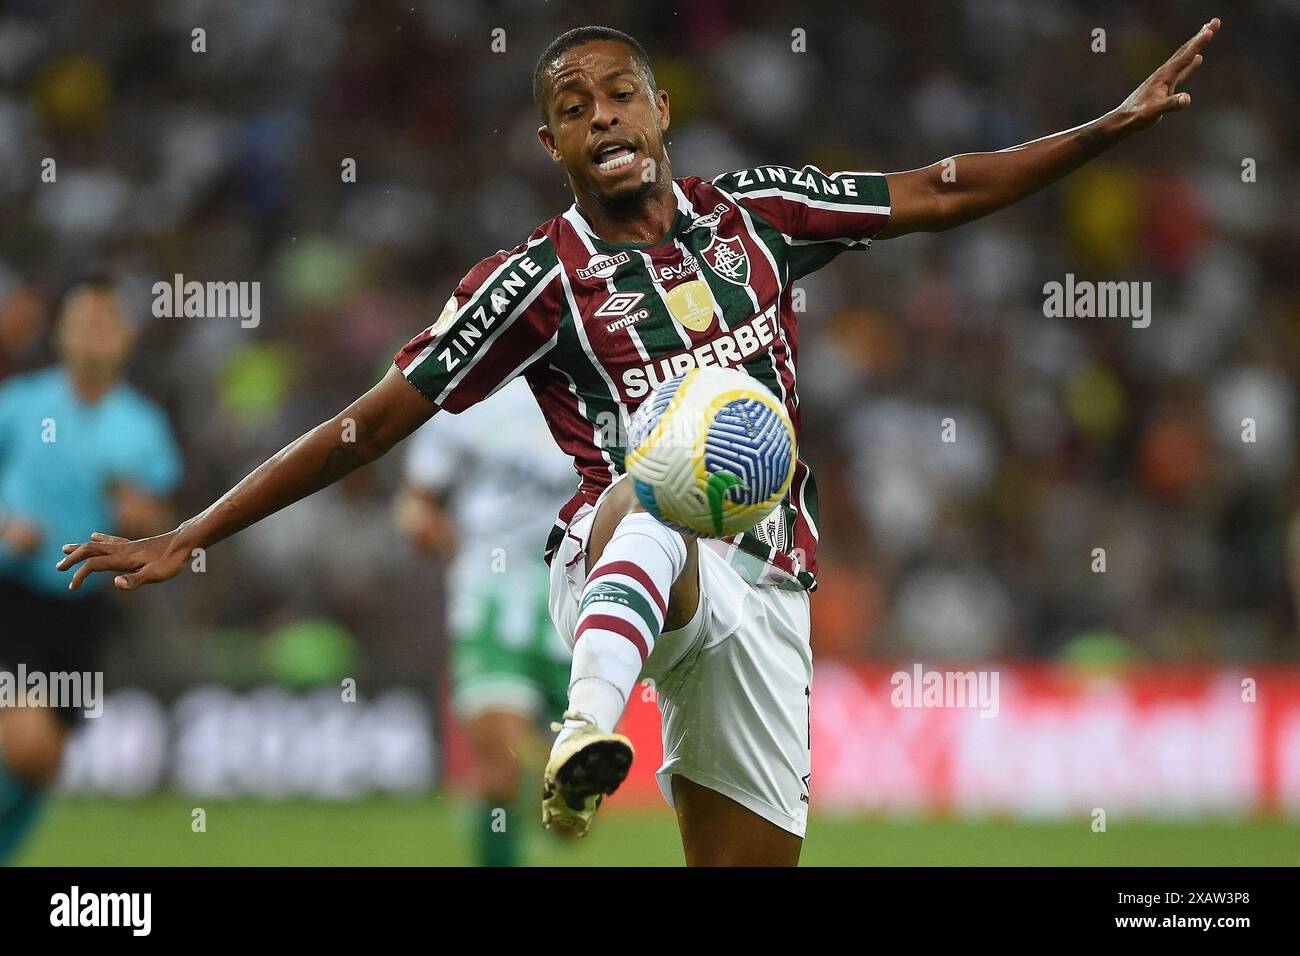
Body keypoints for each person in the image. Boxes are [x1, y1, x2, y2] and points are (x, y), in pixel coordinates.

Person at [58, 19, 1221, 866]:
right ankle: (584, 732)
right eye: (573, 106)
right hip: (617, 557)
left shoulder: (757, 217)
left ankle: (597, 743)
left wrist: (1103, 130)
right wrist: (195, 533)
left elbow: (939, 188)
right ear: (550, 143)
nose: (601, 115)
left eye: (619, 93)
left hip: (768, 586)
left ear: (659, 111)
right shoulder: (536, 278)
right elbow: (369, 423)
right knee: (662, 476)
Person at [0, 277, 180, 863]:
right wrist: (6, 526)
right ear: (61, 333)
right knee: (25, 742)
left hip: (82, 607)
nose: (95, 333)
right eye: (84, 320)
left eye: (107, 322)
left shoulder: (143, 426)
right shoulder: (19, 406)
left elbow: (160, 520)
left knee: (46, 760)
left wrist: (139, 514)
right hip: (13, 593)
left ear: (127, 337)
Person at [395, 377, 576, 866]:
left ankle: (556, 790)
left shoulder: (605, 390)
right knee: (498, 767)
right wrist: (424, 527)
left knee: (573, 806)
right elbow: (417, 499)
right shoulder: (467, 397)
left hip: (579, 591)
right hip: (490, 591)